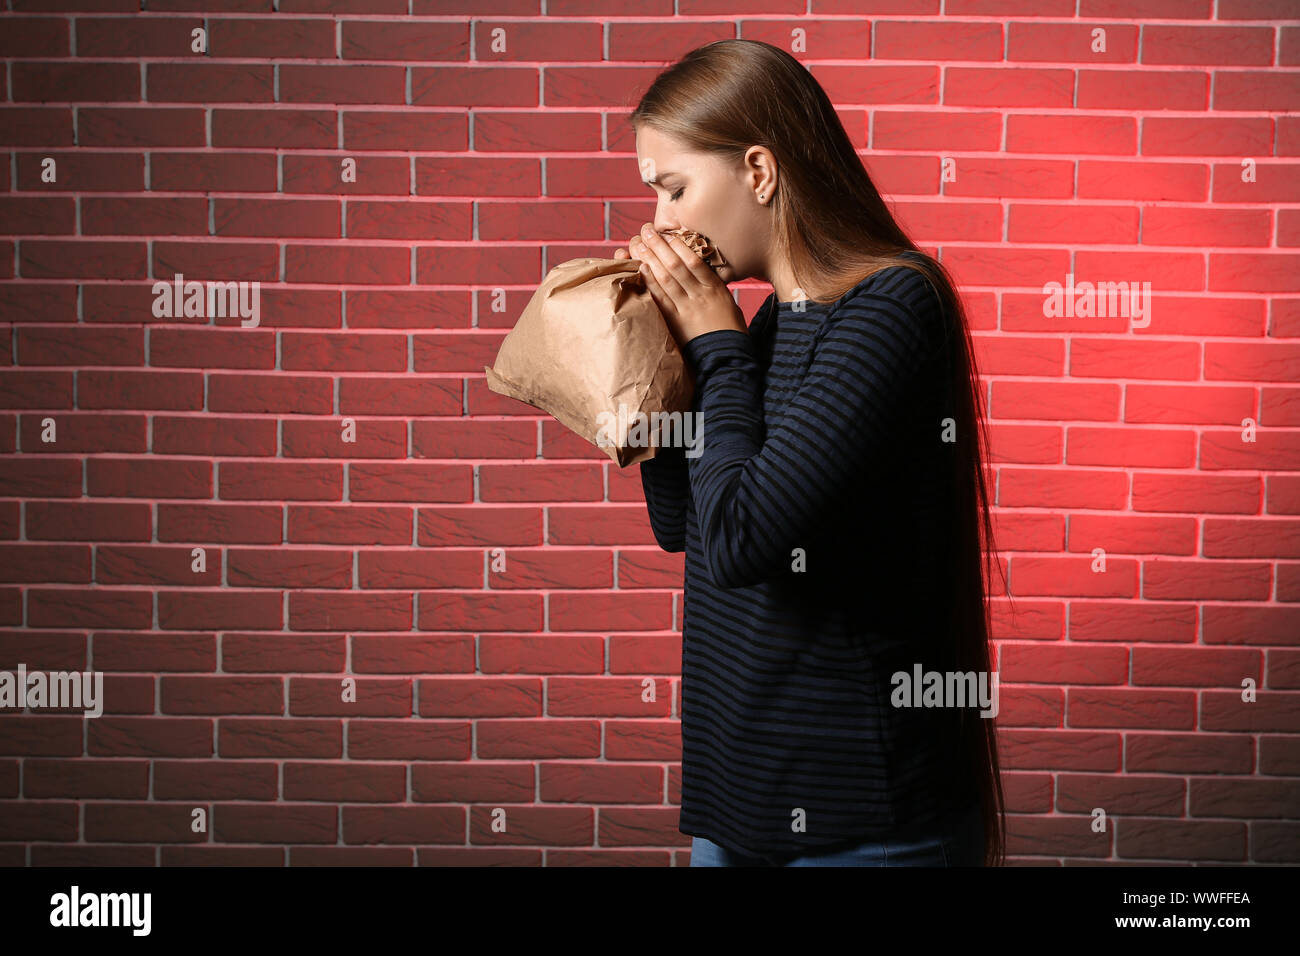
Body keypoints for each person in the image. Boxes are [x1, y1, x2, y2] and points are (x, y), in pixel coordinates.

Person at [610, 39, 1007, 867]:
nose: (661, 225)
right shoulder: (761, 326)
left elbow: (744, 537)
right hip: (736, 808)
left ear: (759, 170)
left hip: (858, 825)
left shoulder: (892, 306)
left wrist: (714, 343)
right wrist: (656, 364)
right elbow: (686, 525)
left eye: (675, 189)